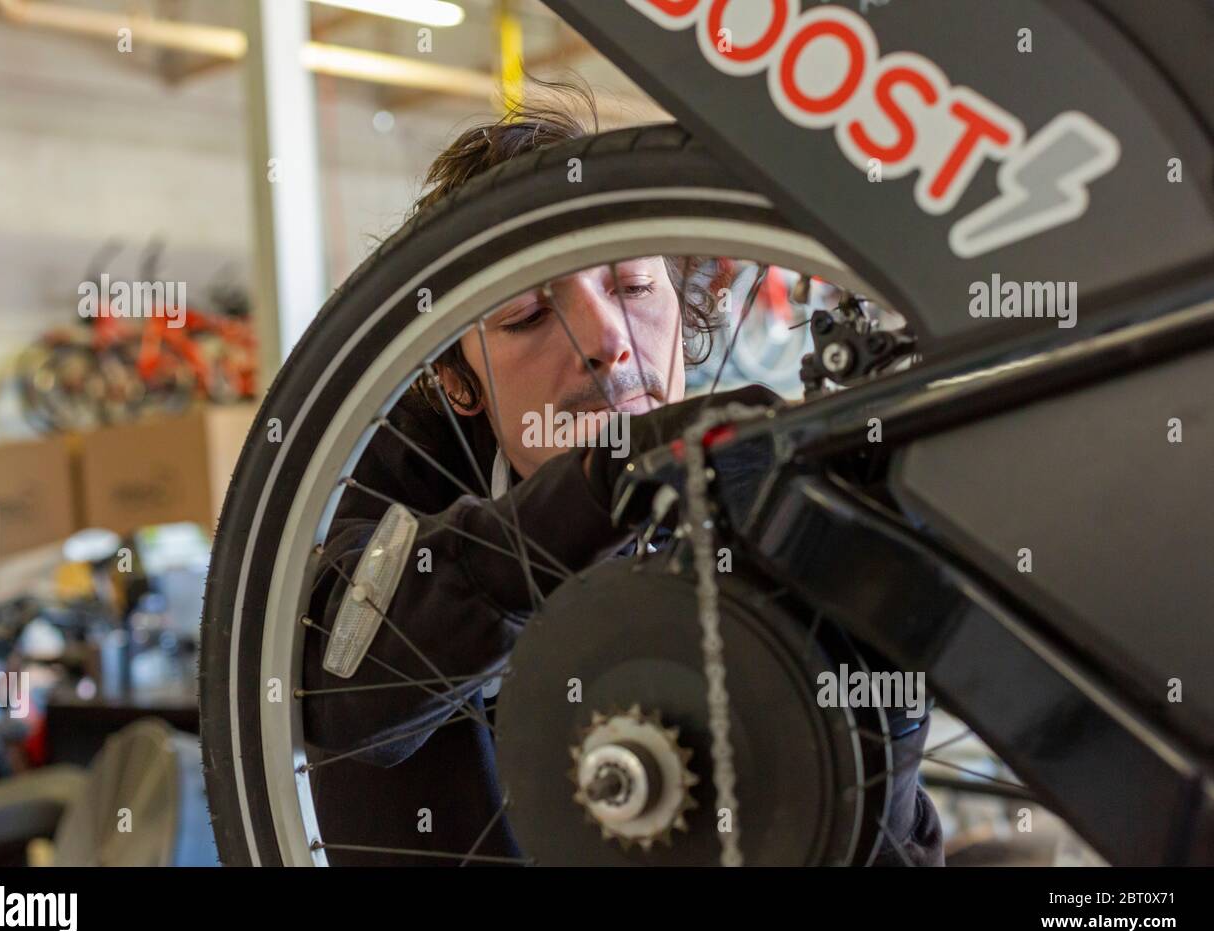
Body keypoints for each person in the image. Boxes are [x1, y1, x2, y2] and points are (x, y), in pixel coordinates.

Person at [303, 88, 943, 866]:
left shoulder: (752, 509)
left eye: (633, 286)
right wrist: (603, 482)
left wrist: (885, 712)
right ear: (457, 381)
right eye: (528, 316)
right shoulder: (401, 486)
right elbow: (336, 692)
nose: (606, 339)